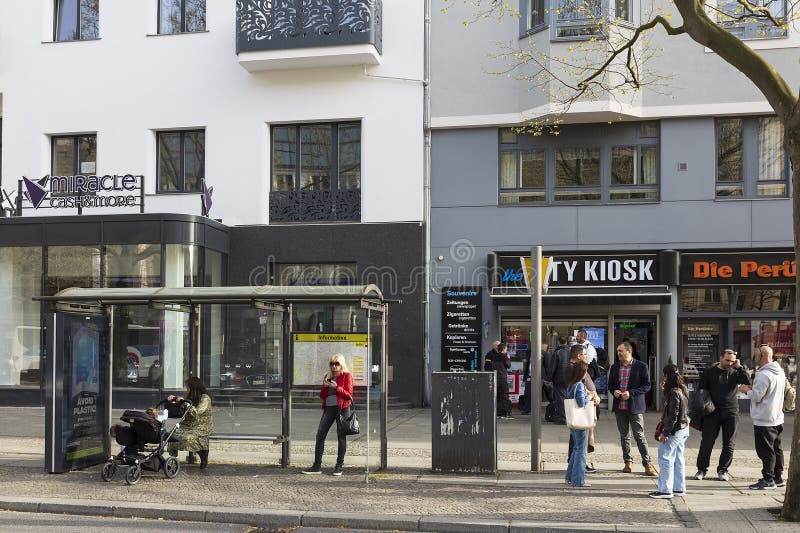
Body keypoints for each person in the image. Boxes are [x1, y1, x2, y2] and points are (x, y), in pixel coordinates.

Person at [692, 348, 751, 482]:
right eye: (727, 360)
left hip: (731, 412)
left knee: (729, 443)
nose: (730, 363)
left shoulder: (736, 371)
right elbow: (701, 389)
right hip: (712, 412)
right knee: (707, 442)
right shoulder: (709, 372)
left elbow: (747, 382)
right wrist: (705, 406)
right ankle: (701, 469)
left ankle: (723, 470)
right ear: (720, 358)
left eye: (732, 361)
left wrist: (739, 366)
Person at [739, 344, 787, 490]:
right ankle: (777, 477)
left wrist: (746, 390)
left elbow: (757, 396)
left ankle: (768, 479)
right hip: (777, 417)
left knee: (765, 451)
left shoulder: (763, 374)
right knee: (776, 449)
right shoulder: (780, 372)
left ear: (762, 356)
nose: (755, 359)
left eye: (756, 356)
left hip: (764, 419)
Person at [608, 341, 657, 476]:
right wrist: (615, 392)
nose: (618, 353)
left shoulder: (641, 366)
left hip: (635, 407)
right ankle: (628, 462)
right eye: (618, 351)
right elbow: (610, 385)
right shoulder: (614, 367)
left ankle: (647, 464)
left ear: (629, 352)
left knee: (639, 436)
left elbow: (647, 386)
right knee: (624, 436)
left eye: (620, 351)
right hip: (620, 407)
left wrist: (630, 393)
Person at [303, 353, 354, 476]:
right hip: (329, 408)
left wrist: (337, 388)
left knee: (341, 437)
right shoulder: (327, 376)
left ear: (341, 364)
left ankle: (339, 466)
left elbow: (349, 395)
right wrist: (326, 386)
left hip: (342, 408)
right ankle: (316, 466)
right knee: (320, 434)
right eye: (332, 364)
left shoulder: (346, 376)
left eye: (336, 364)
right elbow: (322, 396)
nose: (334, 366)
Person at [649, 364, 690, 499]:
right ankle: (679, 488)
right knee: (678, 458)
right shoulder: (682, 389)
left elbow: (673, 415)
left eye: (664, 375)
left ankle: (665, 490)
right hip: (683, 428)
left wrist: (665, 433)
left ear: (666, 375)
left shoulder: (673, 392)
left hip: (675, 430)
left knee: (665, 458)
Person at [566, 344, 600, 472]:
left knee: (578, 442)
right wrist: (591, 396)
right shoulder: (574, 368)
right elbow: (578, 391)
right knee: (578, 444)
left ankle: (575, 466)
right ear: (579, 355)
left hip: (583, 410)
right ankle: (577, 467)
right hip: (580, 411)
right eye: (585, 355)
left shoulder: (579, 367)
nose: (586, 357)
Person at [166, 377, 213, 469]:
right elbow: (182, 410)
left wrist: (186, 403)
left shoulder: (205, 398)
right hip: (188, 424)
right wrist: (174, 401)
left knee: (188, 438)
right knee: (172, 435)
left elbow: (197, 412)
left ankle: (203, 457)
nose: (186, 389)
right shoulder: (191, 396)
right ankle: (172, 459)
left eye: (187, 387)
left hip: (201, 426)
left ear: (193, 387)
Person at [564, 360, 591, 488]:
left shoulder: (571, 384)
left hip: (573, 421)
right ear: (582, 372)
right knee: (581, 450)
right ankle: (578, 480)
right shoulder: (579, 385)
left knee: (576, 448)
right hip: (581, 422)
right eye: (586, 371)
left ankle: (570, 477)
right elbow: (581, 403)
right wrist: (590, 398)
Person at [547, 336, 571, 424]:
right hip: (570, 378)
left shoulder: (557, 352)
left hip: (559, 379)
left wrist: (549, 378)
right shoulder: (571, 351)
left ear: (558, 342)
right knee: (569, 398)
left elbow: (553, 367)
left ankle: (562, 418)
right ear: (567, 342)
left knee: (560, 399)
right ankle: (569, 417)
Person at [490, 342, 513, 419]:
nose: (506, 350)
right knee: (504, 395)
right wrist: (508, 358)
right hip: (502, 378)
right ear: (503, 349)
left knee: (497, 396)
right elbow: (508, 365)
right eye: (506, 349)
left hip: (495, 378)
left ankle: (497, 413)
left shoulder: (493, 356)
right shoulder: (504, 357)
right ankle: (504, 413)